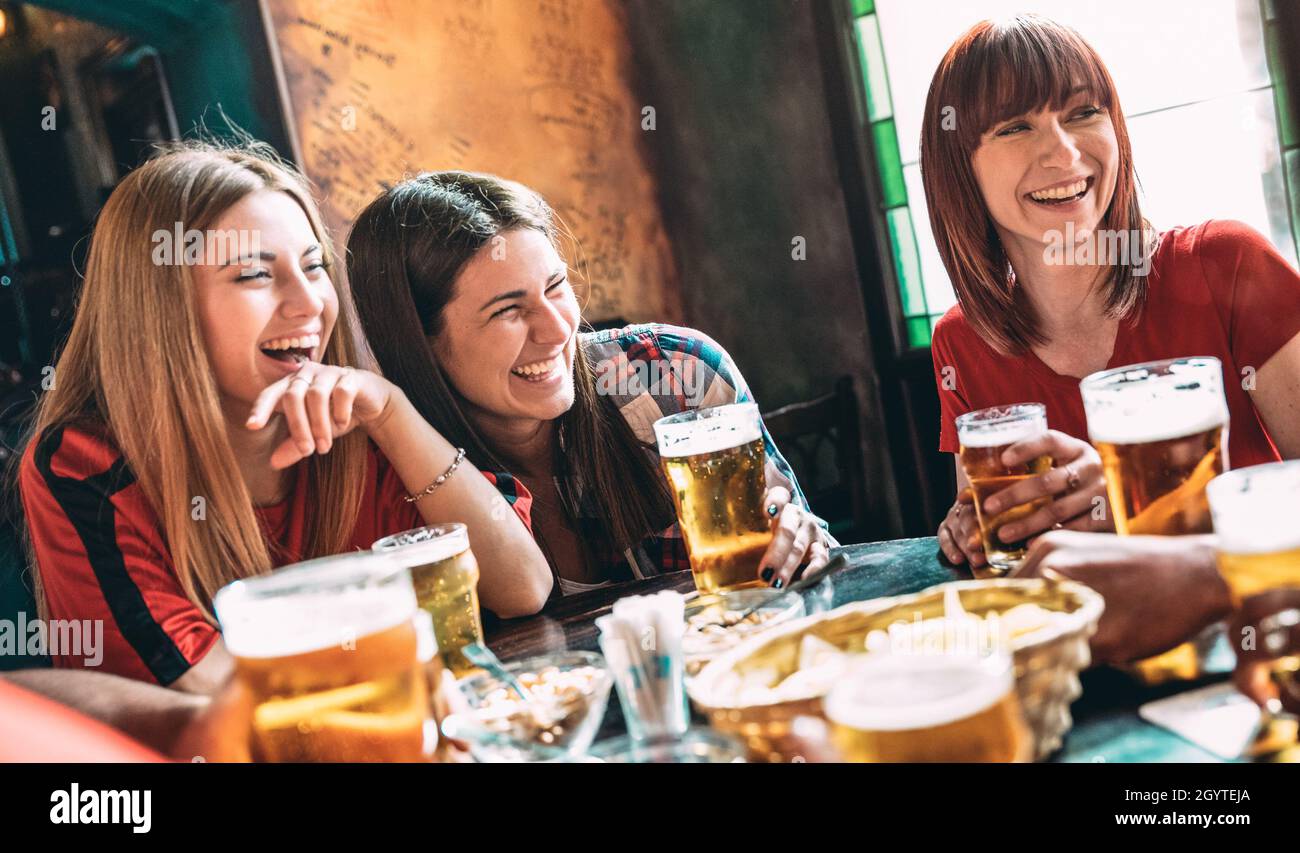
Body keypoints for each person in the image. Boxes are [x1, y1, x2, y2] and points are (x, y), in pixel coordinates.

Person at [15, 141, 553, 690]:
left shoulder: (362, 421)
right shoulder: (85, 464)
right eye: (254, 274)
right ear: (163, 307)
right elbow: (215, 692)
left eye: (314, 266)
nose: (309, 303)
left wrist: (390, 412)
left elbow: (522, 589)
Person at [921, 15, 1300, 569]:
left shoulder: (1229, 263)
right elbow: (1009, 553)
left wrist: (1135, 502)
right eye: (1015, 127)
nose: (1066, 154)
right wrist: (973, 527)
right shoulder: (963, 342)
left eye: (1082, 113)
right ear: (959, 168)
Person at [344, 172, 833, 595]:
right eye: (508, 311)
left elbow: (810, 559)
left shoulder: (674, 372)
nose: (559, 331)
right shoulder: (389, 478)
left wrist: (803, 546)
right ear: (418, 343)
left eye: (556, 287)